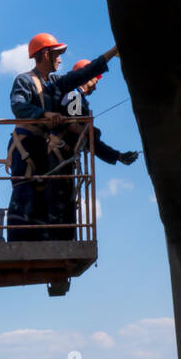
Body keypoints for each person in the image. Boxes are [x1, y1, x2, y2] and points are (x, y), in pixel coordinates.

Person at [7, 34, 119, 241]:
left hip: (43, 148)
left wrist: (113, 52)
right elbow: (18, 106)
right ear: (46, 54)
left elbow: (85, 72)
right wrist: (44, 115)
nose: (60, 59)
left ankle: (40, 242)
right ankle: (17, 243)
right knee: (25, 195)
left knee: (42, 199)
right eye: (57, 55)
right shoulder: (24, 80)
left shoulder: (56, 84)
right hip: (25, 146)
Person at [44, 60, 139, 240]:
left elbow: (87, 139)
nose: (95, 86)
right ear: (84, 77)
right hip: (59, 156)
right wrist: (92, 132)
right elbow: (73, 125)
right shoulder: (73, 95)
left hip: (65, 157)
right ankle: (60, 240)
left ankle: (64, 239)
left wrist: (115, 154)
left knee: (65, 202)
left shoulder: (78, 99)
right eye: (94, 81)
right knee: (59, 201)